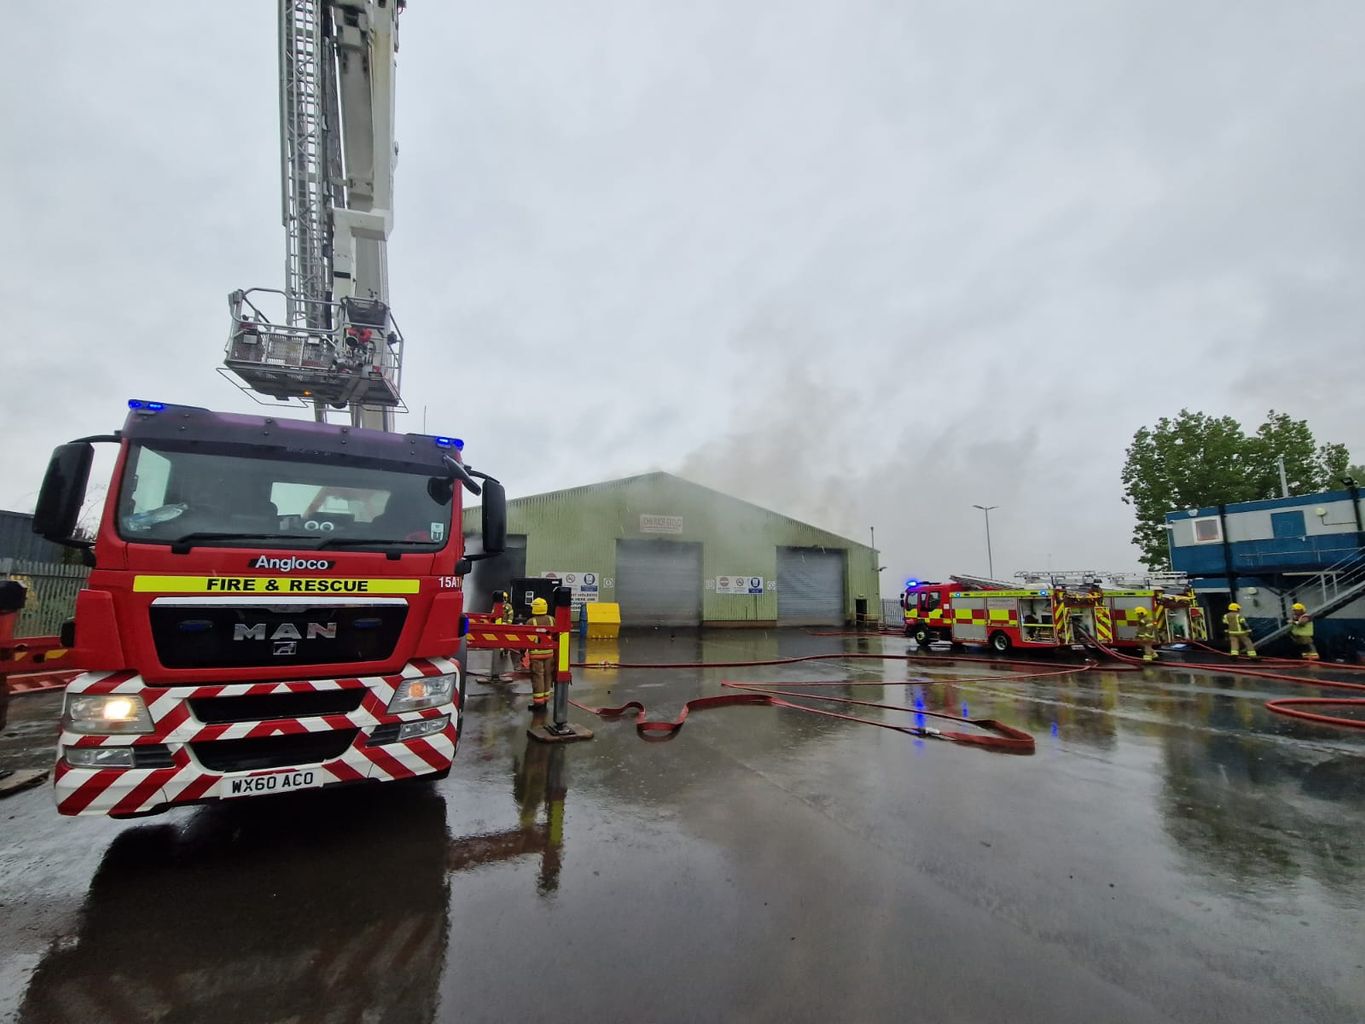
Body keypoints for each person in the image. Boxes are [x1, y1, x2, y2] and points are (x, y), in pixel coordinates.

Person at [526, 597, 556, 711]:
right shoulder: (552, 619)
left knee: (538, 677)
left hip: (536, 655)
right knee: (548, 676)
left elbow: (526, 639)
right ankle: (545, 700)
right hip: (549, 654)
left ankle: (538, 703)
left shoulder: (530, 622)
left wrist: (523, 652)